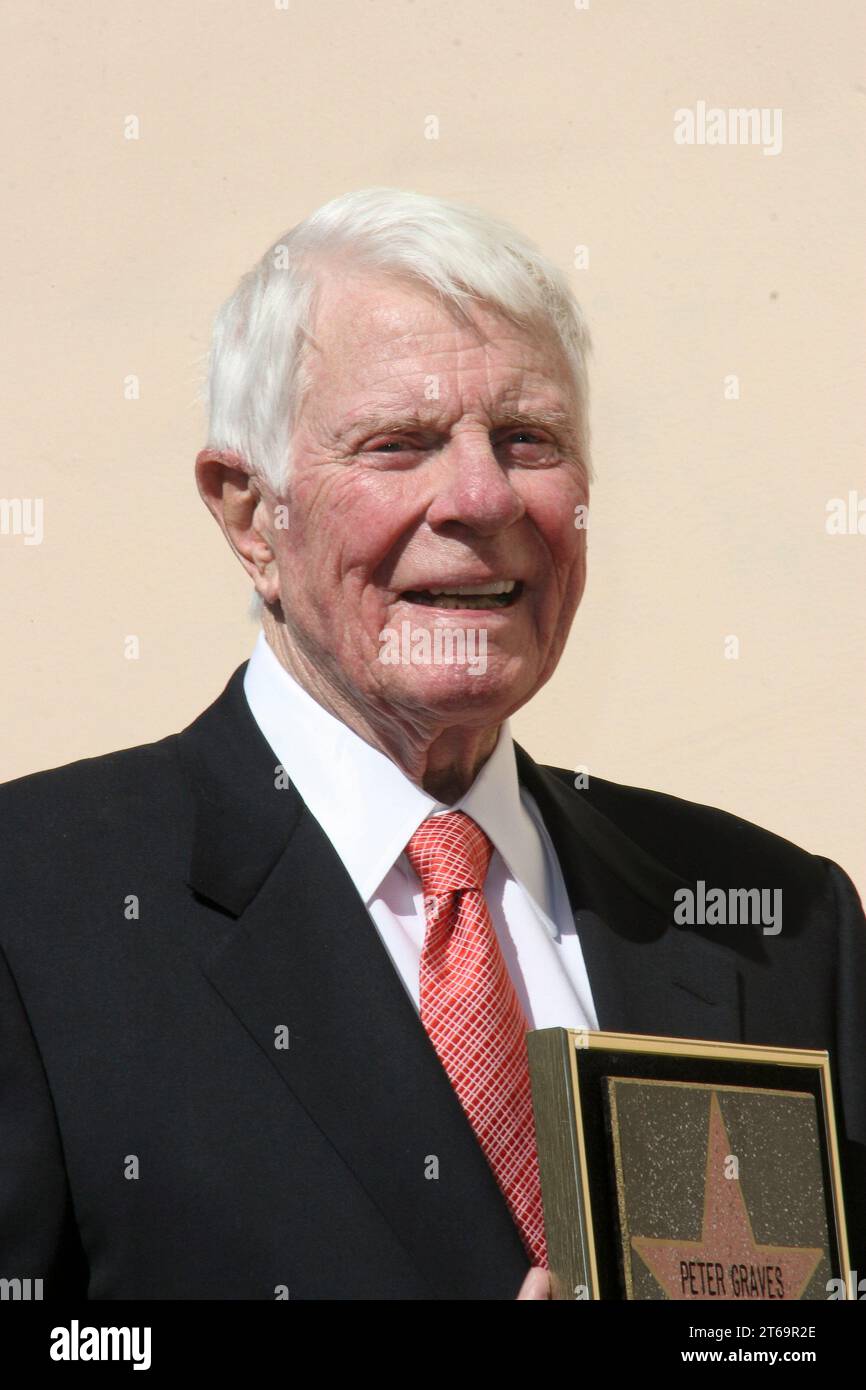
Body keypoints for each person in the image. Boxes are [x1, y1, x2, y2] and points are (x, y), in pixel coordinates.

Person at [2, 188, 864, 1301]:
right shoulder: (37, 909)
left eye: (527, 439)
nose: (478, 494)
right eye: (397, 443)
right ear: (248, 514)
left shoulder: (771, 918)